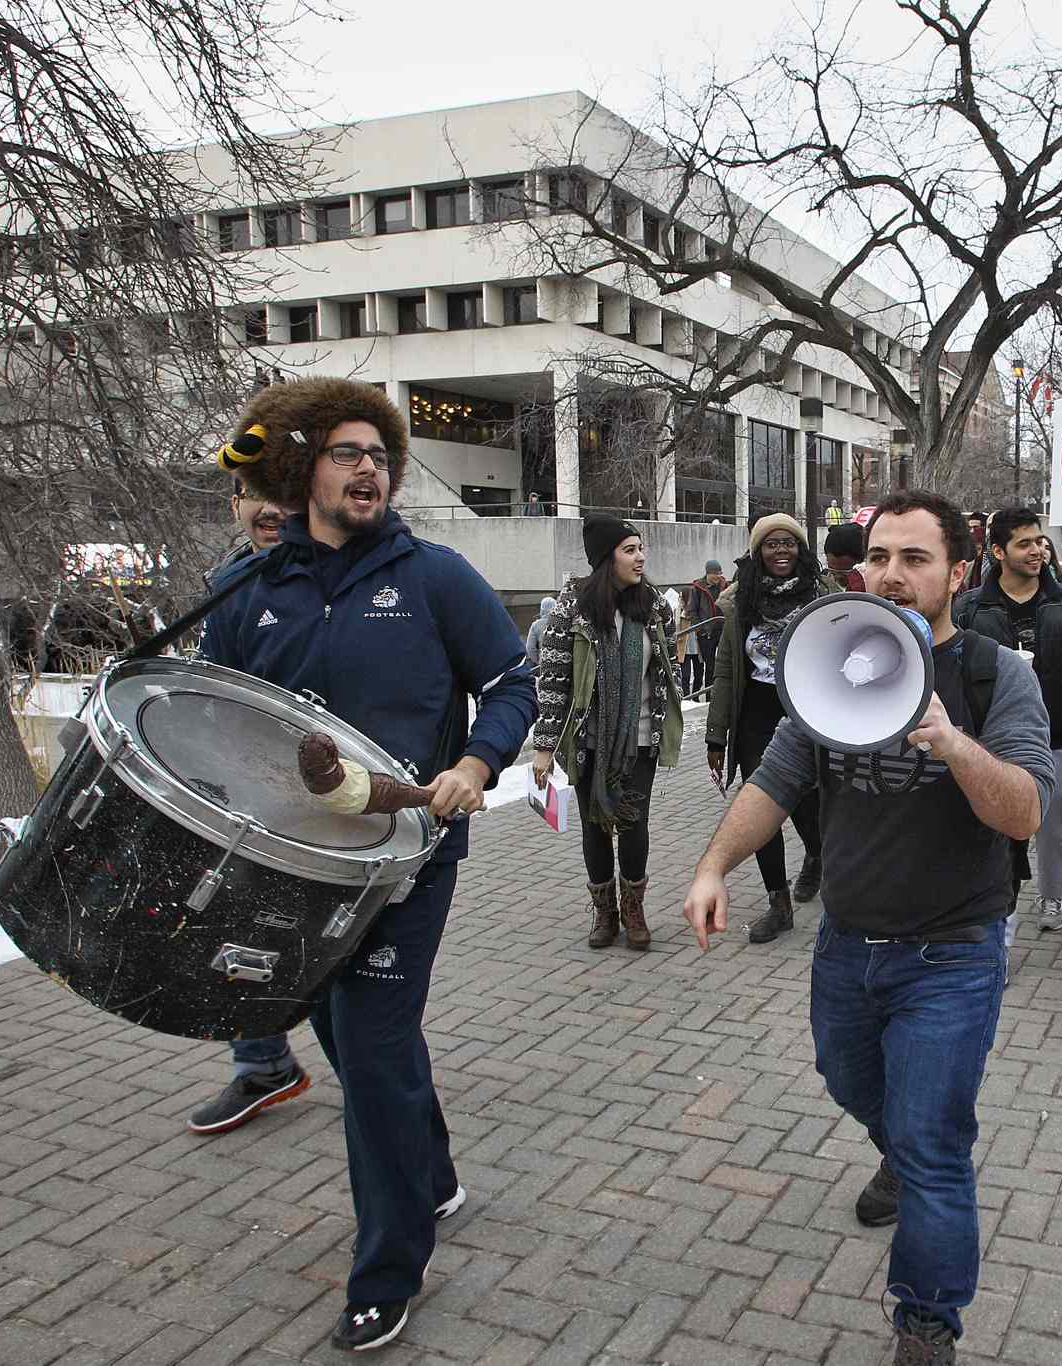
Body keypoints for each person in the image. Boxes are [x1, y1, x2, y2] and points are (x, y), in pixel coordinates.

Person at [199, 377, 536, 1351]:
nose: (369, 468)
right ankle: (428, 1175)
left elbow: (511, 679)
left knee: (375, 1044)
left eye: (380, 456)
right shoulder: (249, 592)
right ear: (305, 471)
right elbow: (211, 715)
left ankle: (388, 1267)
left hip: (408, 862)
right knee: (349, 1041)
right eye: (348, 453)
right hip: (293, 868)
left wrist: (476, 761)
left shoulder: (435, 578)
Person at [682, 491, 1052, 1365]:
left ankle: (926, 1320)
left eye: (915, 558)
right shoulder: (832, 654)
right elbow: (774, 782)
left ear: (958, 573)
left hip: (954, 950)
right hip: (847, 942)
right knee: (849, 1079)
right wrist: (710, 868)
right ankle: (907, 1149)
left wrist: (954, 744)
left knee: (935, 1143)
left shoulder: (1001, 674)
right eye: (879, 556)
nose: (890, 573)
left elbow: (1027, 814)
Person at [186, 476, 311, 1137]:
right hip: (257, 799)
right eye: (253, 493)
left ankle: (373, 1064)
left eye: (283, 492)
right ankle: (262, 1062)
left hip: (340, 804)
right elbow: (215, 691)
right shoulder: (230, 583)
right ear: (234, 504)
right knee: (238, 930)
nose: (270, 508)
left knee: (338, 947)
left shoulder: (341, 570)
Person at [531, 517, 685, 950]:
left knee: (634, 825)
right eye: (630, 550)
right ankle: (605, 913)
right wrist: (544, 746)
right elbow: (555, 679)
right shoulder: (571, 609)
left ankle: (634, 909)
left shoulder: (654, 604)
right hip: (589, 740)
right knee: (595, 826)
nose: (640, 558)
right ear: (606, 558)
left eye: (641, 548)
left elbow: (664, 670)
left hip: (641, 738)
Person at [953, 506, 1062, 935]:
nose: (1038, 551)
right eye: (1025, 543)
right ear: (998, 551)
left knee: (1054, 827)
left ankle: (1053, 896)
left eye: (1040, 541)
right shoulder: (970, 607)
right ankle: (1000, 923)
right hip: (993, 740)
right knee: (998, 830)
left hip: (1061, 736)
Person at [706, 514, 840, 940]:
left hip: (808, 710)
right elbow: (727, 669)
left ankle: (821, 859)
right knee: (762, 807)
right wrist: (716, 733)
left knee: (806, 805)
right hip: (756, 713)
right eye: (771, 544)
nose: (780, 551)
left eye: (788, 543)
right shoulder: (739, 600)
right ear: (757, 550)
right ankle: (777, 902)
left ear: (800, 548)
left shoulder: (822, 593)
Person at [678, 560, 727, 697]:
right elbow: (691, 611)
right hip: (706, 633)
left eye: (720, 573)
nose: (718, 577)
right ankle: (709, 696)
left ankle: (719, 694)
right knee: (709, 666)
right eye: (715, 574)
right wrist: (701, 629)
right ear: (708, 574)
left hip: (722, 630)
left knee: (723, 664)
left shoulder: (724, 586)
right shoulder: (698, 589)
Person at [824, 521, 867, 592]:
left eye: (844, 573)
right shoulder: (823, 585)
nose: (838, 577)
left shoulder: (869, 586)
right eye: (833, 572)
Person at [524, 595, 558, 671]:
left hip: (544, 664)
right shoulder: (562, 622)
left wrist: (538, 661)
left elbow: (530, 648)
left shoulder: (536, 625)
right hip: (562, 663)